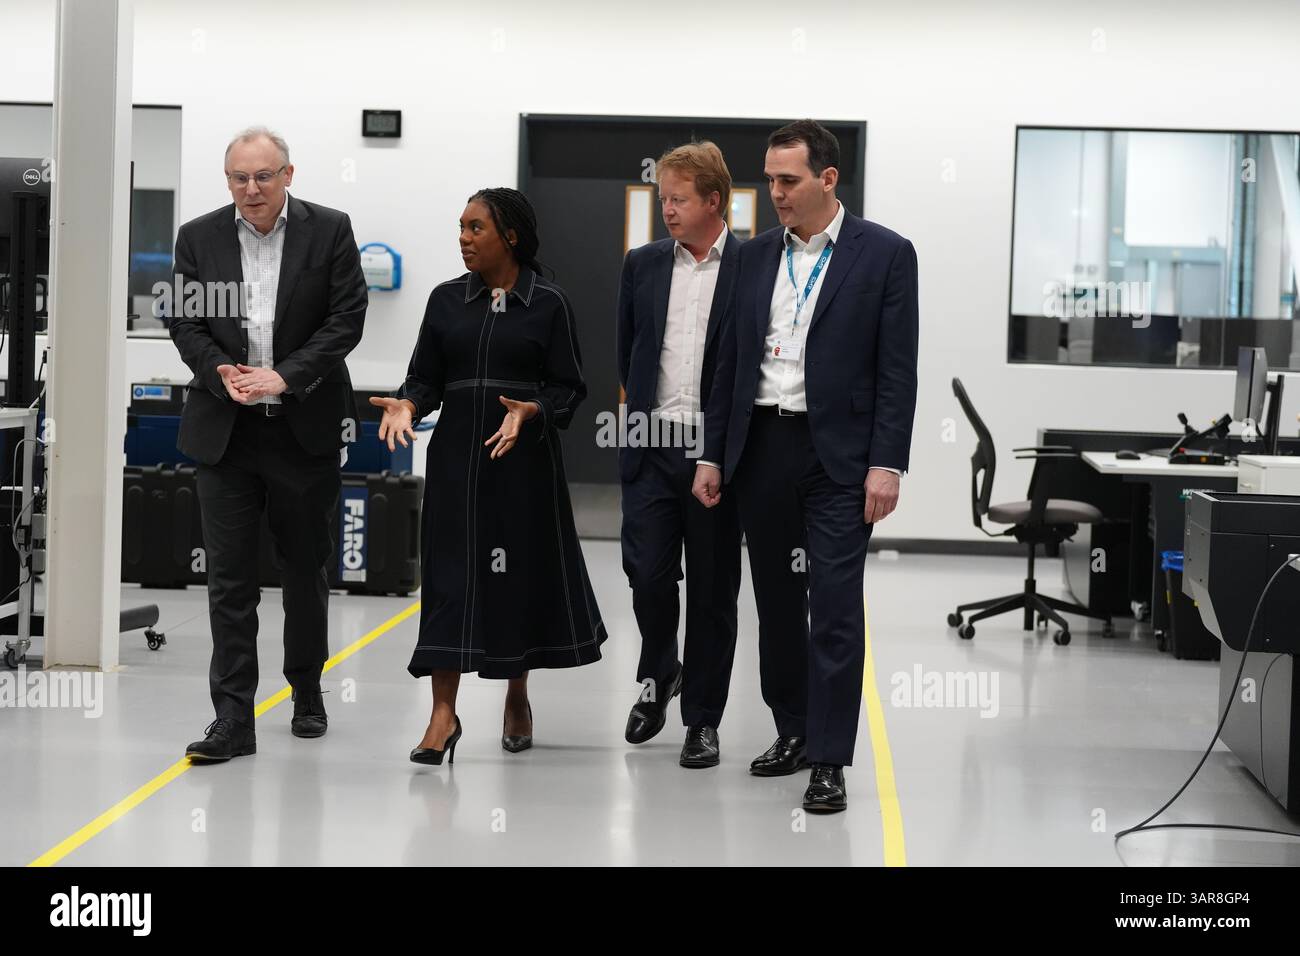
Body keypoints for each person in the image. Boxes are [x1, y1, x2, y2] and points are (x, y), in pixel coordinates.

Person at [693, 120, 918, 812]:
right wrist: (712, 453)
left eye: (788, 180)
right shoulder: (753, 256)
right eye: (769, 179)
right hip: (762, 449)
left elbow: (896, 370)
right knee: (778, 605)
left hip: (839, 461)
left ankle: (829, 759)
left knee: (836, 609)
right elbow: (727, 360)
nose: (775, 192)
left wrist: (888, 464)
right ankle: (791, 730)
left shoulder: (885, 255)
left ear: (827, 179)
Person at [371, 187, 606, 765]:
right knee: (449, 579)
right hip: (456, 460)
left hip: (522, 463)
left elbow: (570, 389)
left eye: (476, 228)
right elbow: (423, 379)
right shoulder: (445, 300)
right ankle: (442, 714)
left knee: (512, 578)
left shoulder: (549, 303)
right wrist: (407, 405)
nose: (463, 238)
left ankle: (517, 693)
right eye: (461, 226)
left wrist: (533, 412)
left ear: (511, 237)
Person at [170, 126, 368, 762]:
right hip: (225, 433)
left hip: (301, 429)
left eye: (263, 176)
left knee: (304, 569)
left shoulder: (329, 229)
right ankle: (232, 719)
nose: (250, 189)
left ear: (288, 174)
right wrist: (216, 371)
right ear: (226, 179)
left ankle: (306, 688)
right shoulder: (198, 237)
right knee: (229, 581)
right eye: (238, 178)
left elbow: (347, 317)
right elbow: (183, 316)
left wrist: (287, 375)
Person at [616, 142, 742, 768]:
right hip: (651, 444)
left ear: (712, 202)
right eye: (663, 197)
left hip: (716, 451)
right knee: (646, 575)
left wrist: (717, 449)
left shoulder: (751, 266)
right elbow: (628, 352)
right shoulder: (641, 265)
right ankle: (660, 669)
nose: (666, 209)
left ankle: (703, 719)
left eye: (678, 199)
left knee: (714, 590)